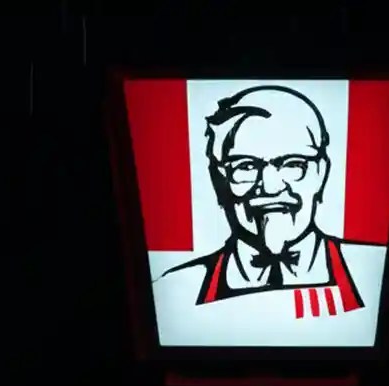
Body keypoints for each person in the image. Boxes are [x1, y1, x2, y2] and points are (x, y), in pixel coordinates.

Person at [156, 85, 364, 316]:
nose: (271, 187)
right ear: (218, 179)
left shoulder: (369, 273)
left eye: (293, 164)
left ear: (321, 173)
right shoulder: (175, 291)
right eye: (246, 166)